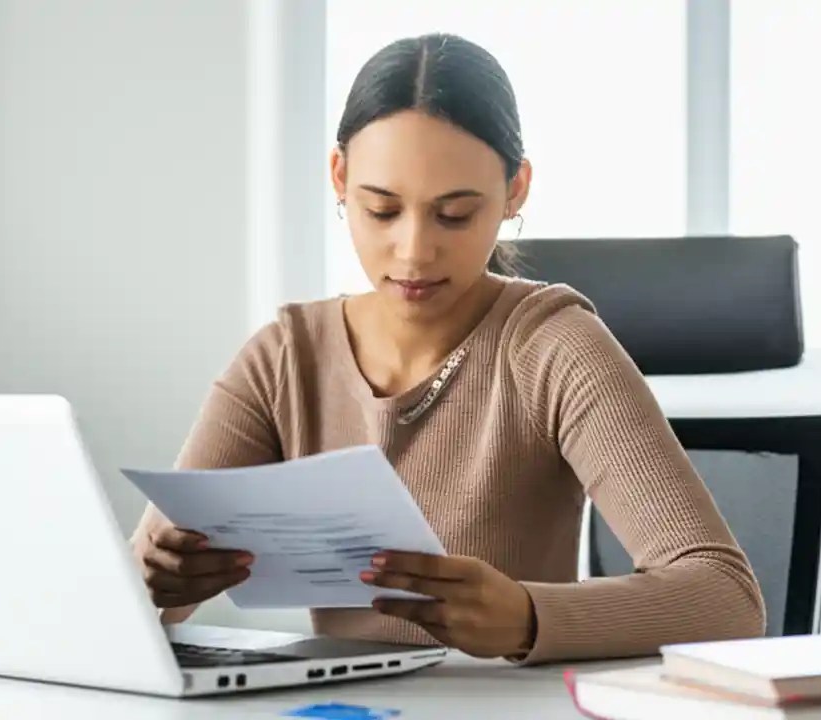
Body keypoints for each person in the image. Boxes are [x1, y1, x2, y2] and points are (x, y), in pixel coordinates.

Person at [130, 32, 766, 664]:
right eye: (381, 210)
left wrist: (528, 616)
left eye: (454, 215)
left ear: (515, 189)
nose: (413, 251)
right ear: (340, 177)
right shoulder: (285, 359)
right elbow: (134, 589)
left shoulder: (553, 346)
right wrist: (164, 586)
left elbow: (727, 598)